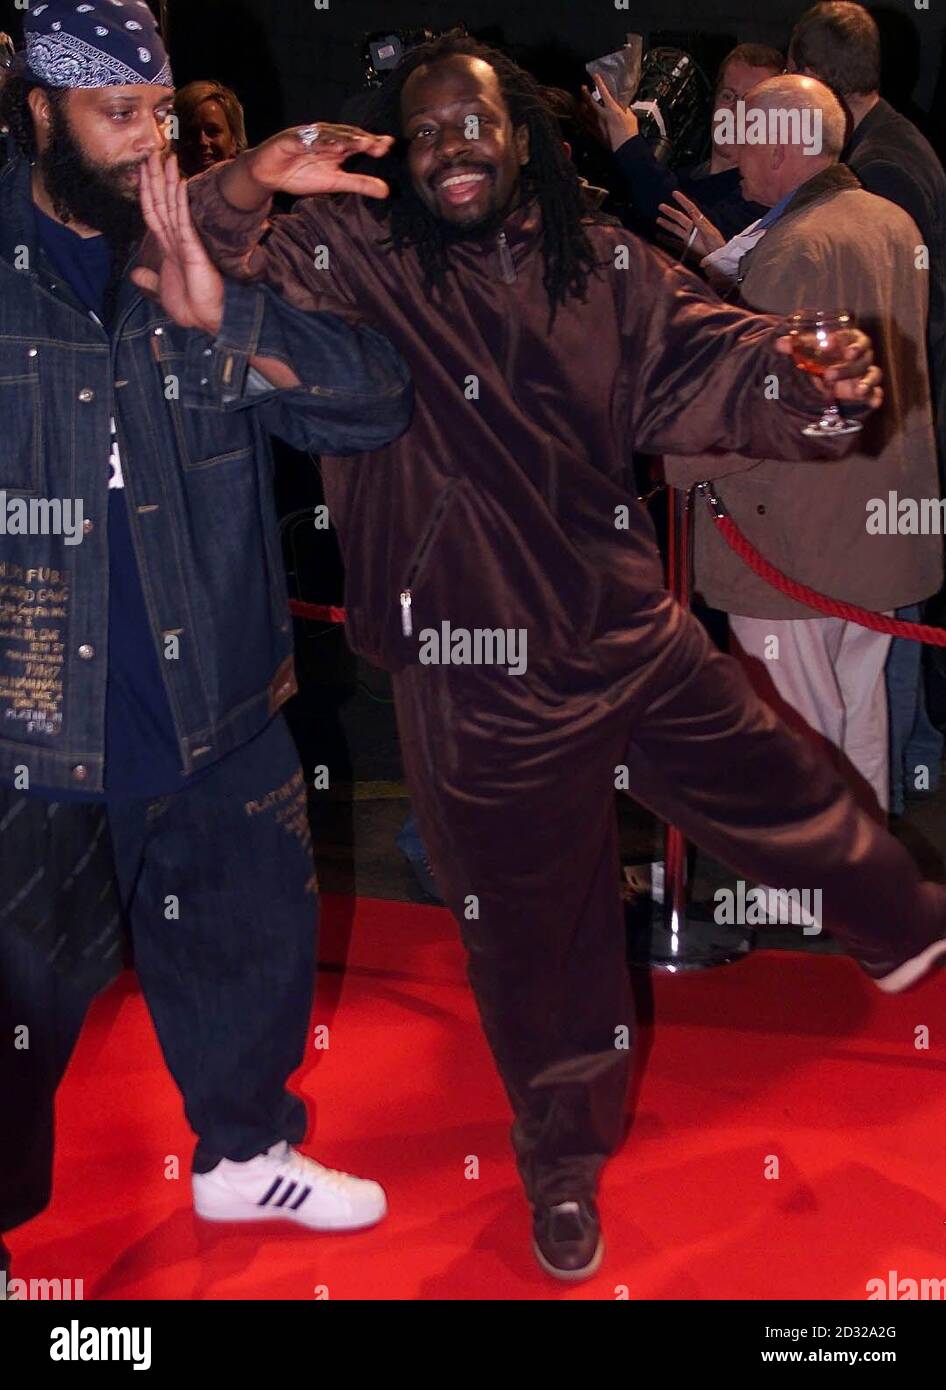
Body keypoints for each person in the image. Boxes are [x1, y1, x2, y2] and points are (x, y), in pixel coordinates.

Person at [186, 32, 946, 1281]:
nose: (453, 147)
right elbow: (201, 284)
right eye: (426, 131)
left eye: (476, 122)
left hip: (616, 625)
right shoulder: (348, 258)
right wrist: (243, 183)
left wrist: (808, 378)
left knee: (779, 777)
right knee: (542, 950)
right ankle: (558, 1168)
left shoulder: (598, 262)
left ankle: (897, 919)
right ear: (400, 153)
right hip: (470, 677)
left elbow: (716, 355)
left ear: (525, 136)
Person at [0, 0, 411, 1287]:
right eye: (116, 115)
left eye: (160, 114)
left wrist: (220, 316)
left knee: (249, 943)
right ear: (38, 115)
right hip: (35, 718)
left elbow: (375, 401)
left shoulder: (208, 248)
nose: (148, 145)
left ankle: (244, 1154)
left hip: (218, 694)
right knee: (19, 1009)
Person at [663, 76, 941, 827]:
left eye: (745, 133)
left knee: (796, 723)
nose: (733, 149)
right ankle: (863, 885)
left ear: (785, 146)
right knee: (861, 713)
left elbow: (758, 412)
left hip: (789, 534)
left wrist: (668, 463)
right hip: (878, 527)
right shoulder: (889, 222)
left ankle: (803, 892)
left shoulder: (793, 250)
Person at [788, 0, 946, 815]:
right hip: (904, 423)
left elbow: (883, 317)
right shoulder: (896, 150)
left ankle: (886, 805)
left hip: (894, 428)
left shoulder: (880, 170)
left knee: (884, 642)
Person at [586, 43, 782, 246]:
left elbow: (693, 225)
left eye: (750, 103)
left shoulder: (759, 197)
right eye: (728, 96)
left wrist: (628, 144)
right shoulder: (682, 174)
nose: (734, 113)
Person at [173, 79, 247, 179]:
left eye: (212, 131)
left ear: (234, 140)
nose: (202, 141)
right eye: (191, 133)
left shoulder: (255, 190)